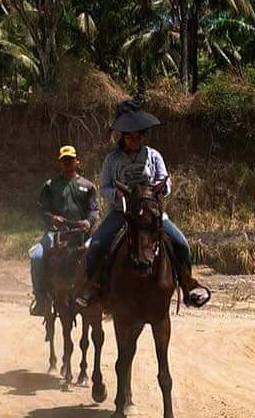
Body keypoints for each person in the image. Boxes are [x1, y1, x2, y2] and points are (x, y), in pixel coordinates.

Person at [77, 101, 211, 308]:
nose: (136, 140)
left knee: (181, 243)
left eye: (139, 135)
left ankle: (188, 286)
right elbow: (104, 187)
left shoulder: (153, 156)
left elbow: (166, 181)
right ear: (122, 136)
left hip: (150, 213)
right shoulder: (112, 159)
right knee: (96, 245)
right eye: (131, 136)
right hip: (120, 213)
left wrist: (161, 189)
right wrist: (116, 195)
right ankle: (92, 285)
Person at [29, 145, 98, 316]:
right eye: (64, 160)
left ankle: (99, 297)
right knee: (36, 256)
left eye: (70, 159)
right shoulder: (50, 185)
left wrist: (88, 222)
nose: (68, 163)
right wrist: (52, 218)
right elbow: (41, 210)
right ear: (60, 162)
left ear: (77, 161)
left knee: (100, 255)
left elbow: (94, 210)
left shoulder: (88, 186)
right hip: (56, 233)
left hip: (82, 234)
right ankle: (40, 297)